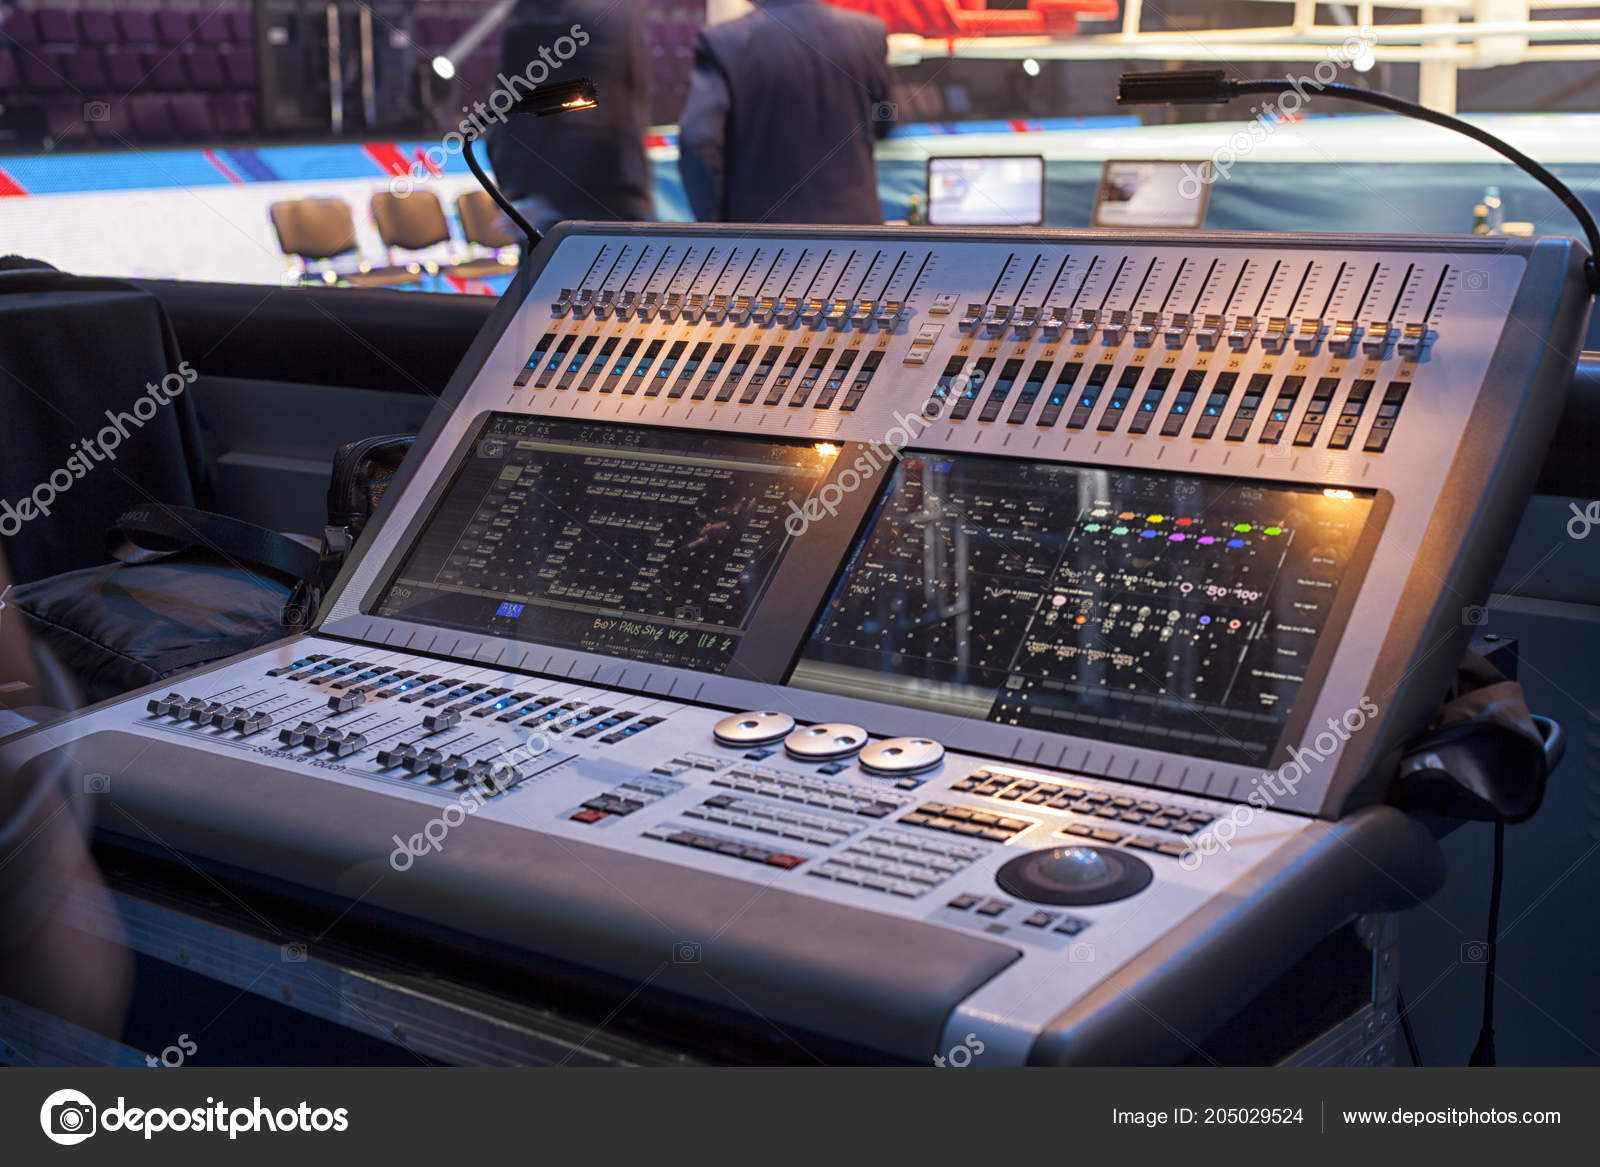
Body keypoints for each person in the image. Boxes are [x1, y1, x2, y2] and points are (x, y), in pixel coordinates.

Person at [679, 0, 894, 225]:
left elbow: (698, 141)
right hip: (858, 238)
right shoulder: (868, 34)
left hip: (762, 243)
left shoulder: (724, 42)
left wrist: (717, 224)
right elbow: (885, 120)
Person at [486, 0, 654, 236]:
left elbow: (593, 109)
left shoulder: (589, 9)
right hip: (572, 202)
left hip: (584, 203)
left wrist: (539, 198)